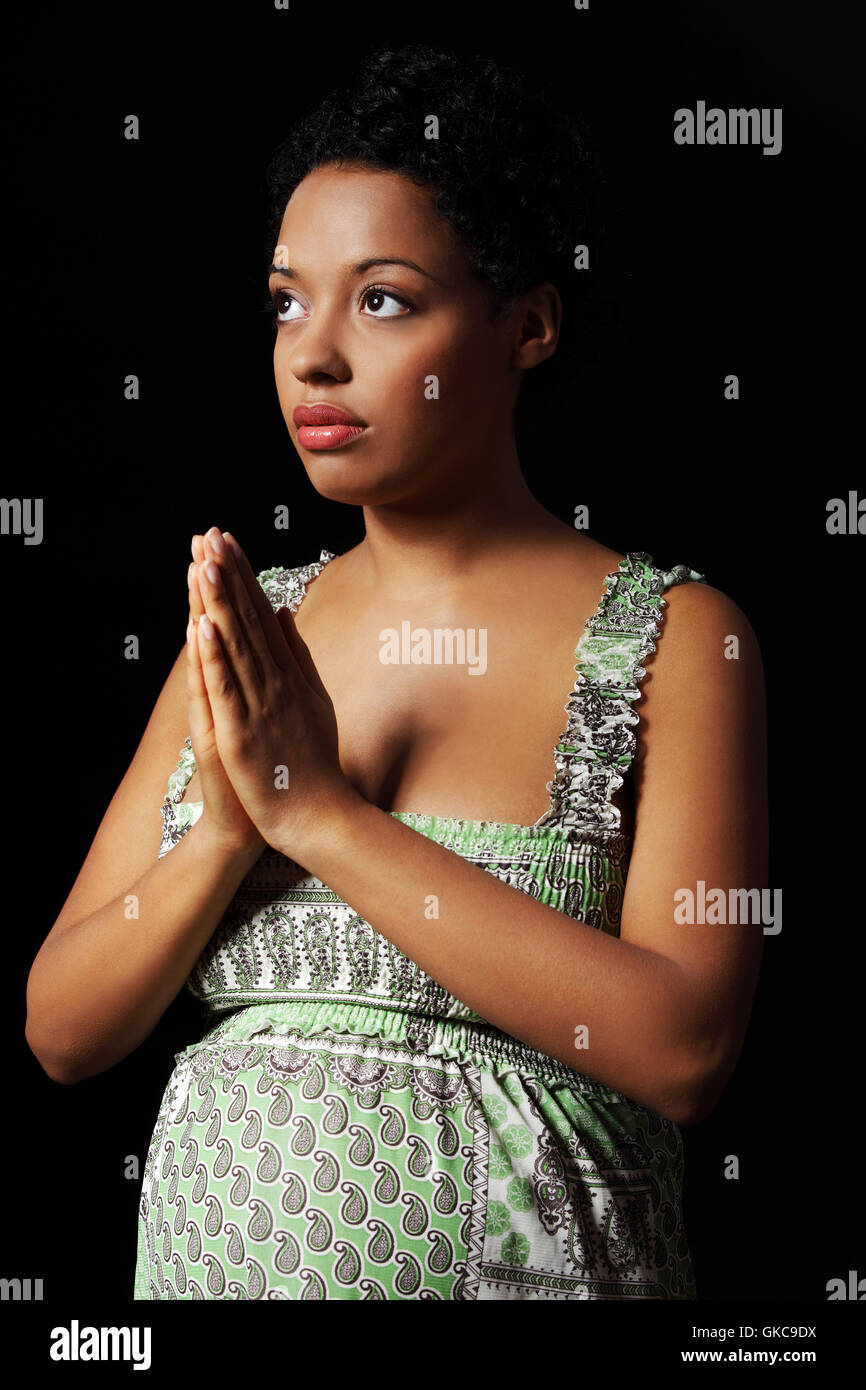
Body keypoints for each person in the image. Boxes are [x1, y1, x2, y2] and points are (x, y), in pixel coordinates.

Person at [25, 44, 767, 1300]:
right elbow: (62, 1029)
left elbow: (684, 1047)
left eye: (381, 300)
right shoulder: (251, 635)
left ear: (525, 323)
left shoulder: (676, 637)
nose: (311, 356)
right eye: (283, 301)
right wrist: (224, 826)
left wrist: (318, 813)